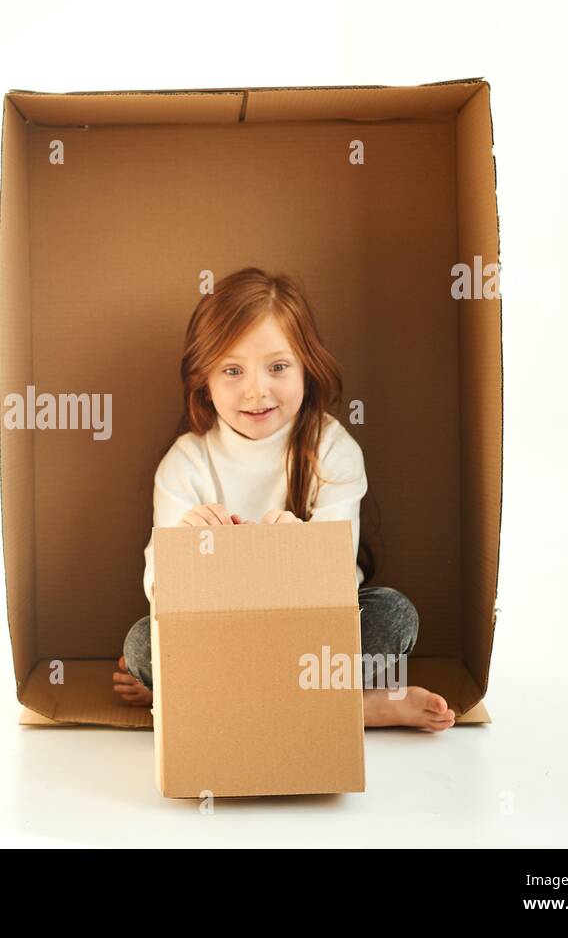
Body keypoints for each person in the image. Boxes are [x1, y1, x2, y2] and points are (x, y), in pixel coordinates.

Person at [112, 267, 455, 732]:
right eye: (233, 371)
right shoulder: (186, 463)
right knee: (141, 646)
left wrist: (297, 556)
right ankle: (360, 708)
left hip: (312, 635)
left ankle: (200, 702)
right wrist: (189, 552)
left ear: (306, 367)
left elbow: (336, 574)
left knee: (394, 615)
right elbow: (161, 592)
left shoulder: (332, 450)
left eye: (277, 367)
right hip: (222, 635)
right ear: (204, 382)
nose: (257, 390)